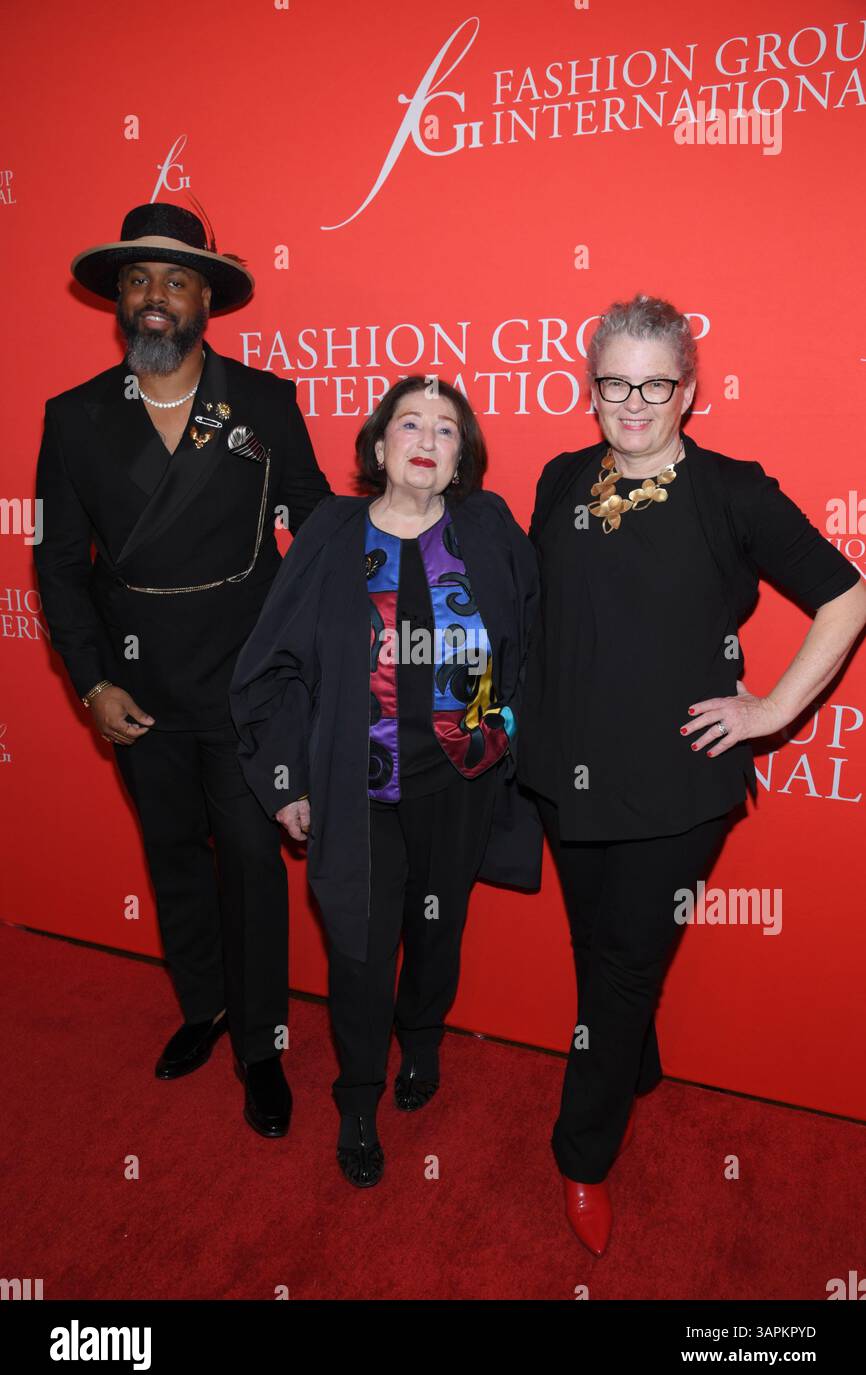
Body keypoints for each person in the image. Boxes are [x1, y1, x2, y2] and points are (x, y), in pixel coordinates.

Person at [517, 293, 866, 1255]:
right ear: (591, 387)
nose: (633, 403)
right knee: (597, 945)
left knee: (623, 971)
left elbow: (846, 597)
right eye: (614, 383)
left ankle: (582, 1158)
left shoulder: (732, 491)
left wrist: (773, 710)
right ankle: (637, 1065)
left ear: (689, 390)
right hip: (563, 772)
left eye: (654, 385)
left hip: (677, 784)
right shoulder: (558, 478)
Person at [34, 202, 332, 1138]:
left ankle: (261, 1042)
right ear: (119, 300)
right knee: (172, 854)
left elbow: (315, 522)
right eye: (138, 280)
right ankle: (204, 1006)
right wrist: (93, 683)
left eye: (174, 280)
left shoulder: (263, 402)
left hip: (244, 680)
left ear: (206, 299)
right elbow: (58, 565)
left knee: (250, 858)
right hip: (137, 686)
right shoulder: (75, 417)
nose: (154, 296)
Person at [230, 376, 542, 1186]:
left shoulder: (488, 528)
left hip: (458, 783)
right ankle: (359, 1100)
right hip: (355, 788)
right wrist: (287, 781)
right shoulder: (333, 535)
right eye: (410, 424)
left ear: (461, 457)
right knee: (361, 953)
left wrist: (508, 732)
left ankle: (424, 1043)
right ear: (378, 446)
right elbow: (274, 666)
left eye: (446, 430)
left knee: (438, 931)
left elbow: (533, 638)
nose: (427, 441)